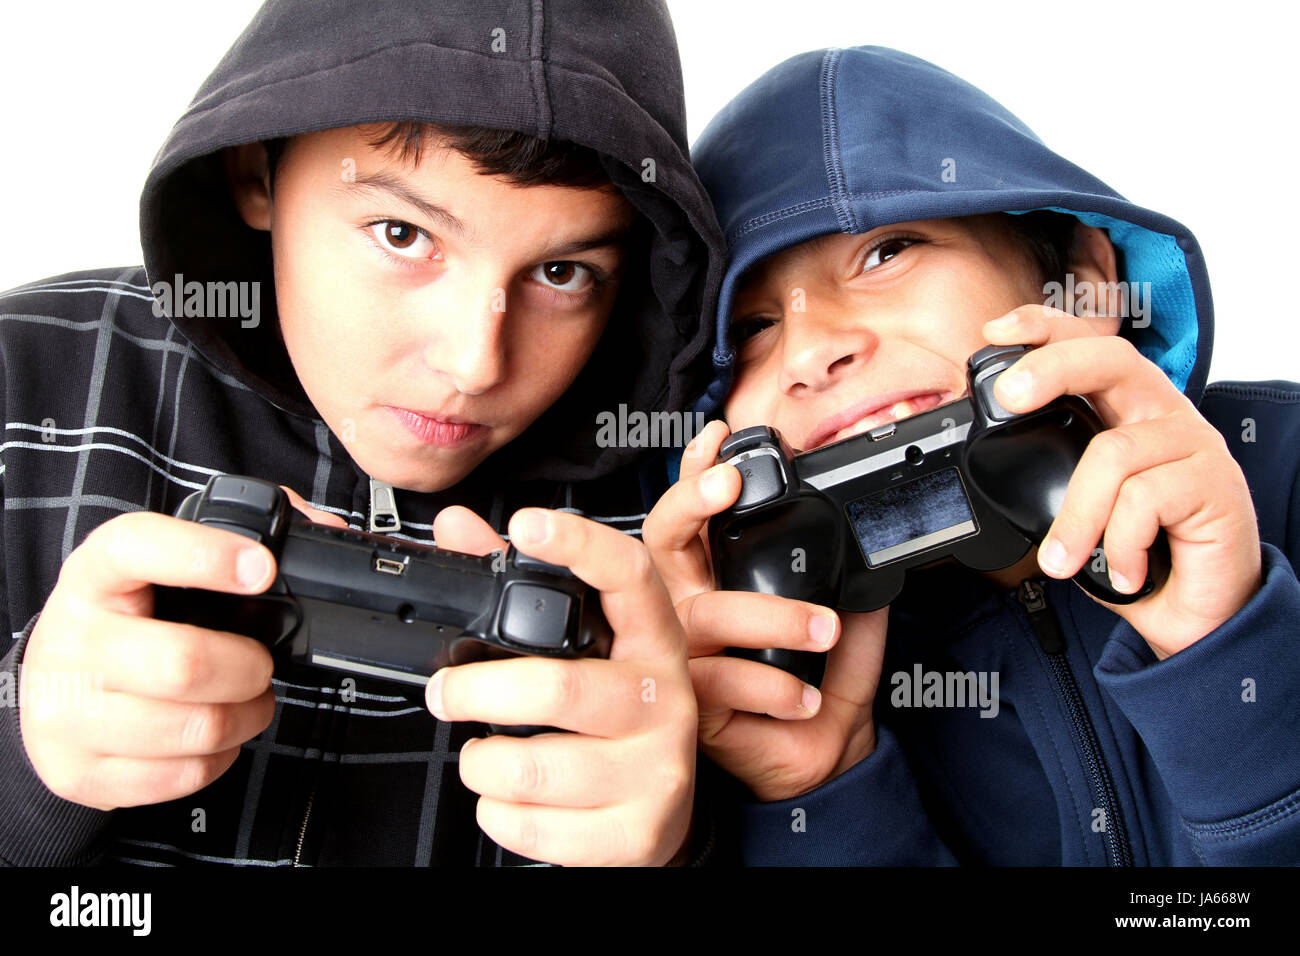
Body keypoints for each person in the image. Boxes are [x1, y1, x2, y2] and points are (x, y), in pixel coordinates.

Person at [0, 0, 726, 867]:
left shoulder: (679, 508)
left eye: (562, 272)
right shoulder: (25, 373)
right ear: (255, 176)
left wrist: (684, 841)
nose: (474, 363)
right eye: (403, 233)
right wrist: (23, 771)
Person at [644, 46, 1300, 864]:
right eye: (750, 329)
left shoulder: (1283, 466)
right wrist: (819, 793)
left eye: (887, 253)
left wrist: (1230, 656)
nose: (813, 351)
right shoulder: (777, 668)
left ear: (1084, 284)